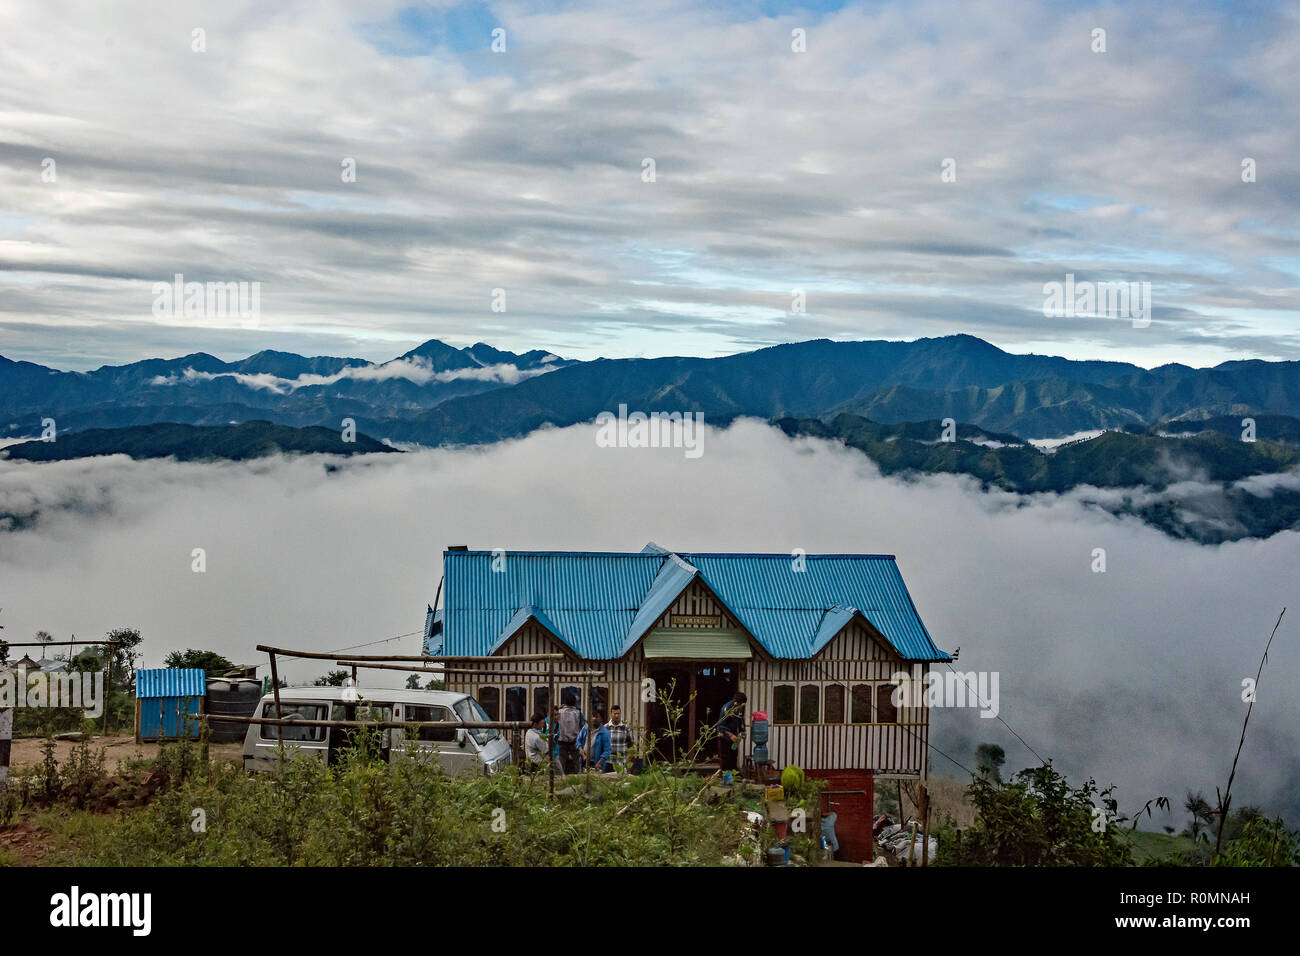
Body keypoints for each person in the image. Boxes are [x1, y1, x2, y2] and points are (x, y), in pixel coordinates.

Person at [715, 691, 747, 772]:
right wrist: (731, 735)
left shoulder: (741, 707)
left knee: (733, 757)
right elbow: (721, 726)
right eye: (740, 705)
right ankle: (725, 778)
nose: (741, 707)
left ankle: (734, 777)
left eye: (742, 705)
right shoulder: (726, 708)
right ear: (735, 702)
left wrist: (743, 731)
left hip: (734, 737)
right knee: (725, 759)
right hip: (723, 736)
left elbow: (741, 719)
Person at [556, 693, 584, 775]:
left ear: (565, 702)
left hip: (561, 741)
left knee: (561, 763)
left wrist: (559, 707)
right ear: (574, 702)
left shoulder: (559, 712)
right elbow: (582, 726)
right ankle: (578, 779)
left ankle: (560, 779)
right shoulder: (578, 713)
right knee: (577, 763)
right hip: (575, 741)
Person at [606, 703, 634, 771]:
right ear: (611, 714)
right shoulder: (606, 728)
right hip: (608, 762)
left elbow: (630, 744)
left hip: (622, 762)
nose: (617, 715)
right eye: (615, 714)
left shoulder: (626, 728)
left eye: (618, 713)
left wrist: (629, 759)